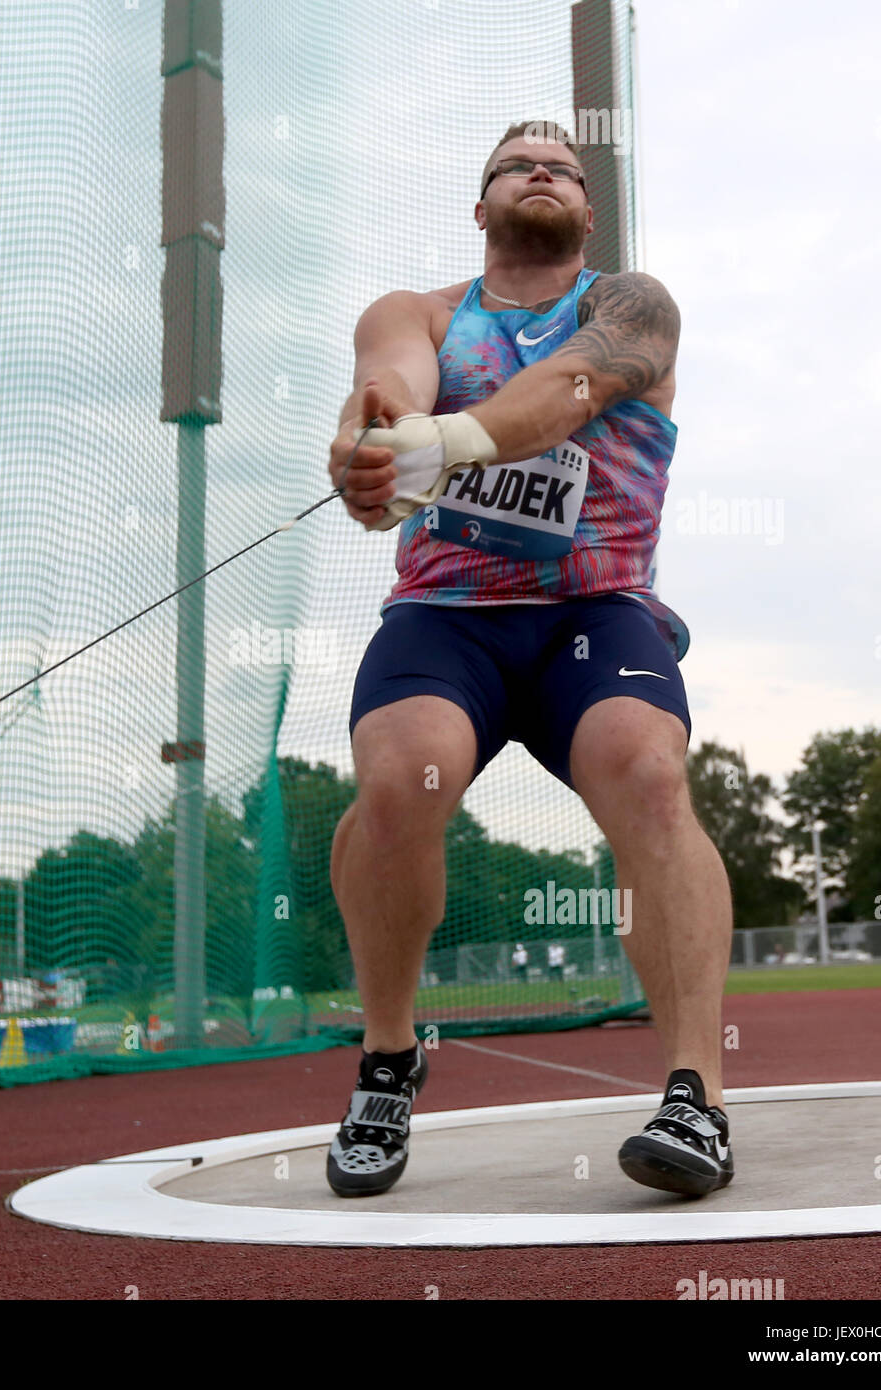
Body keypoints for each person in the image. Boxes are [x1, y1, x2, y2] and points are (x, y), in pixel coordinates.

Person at [325, 121, 732, 1200]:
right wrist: (376, 445)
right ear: (481, 205)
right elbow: (394, 382)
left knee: (645, 766)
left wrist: (446, 444)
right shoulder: (414, 311)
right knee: (396, 776)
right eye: (517, 161)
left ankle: (695, 1094)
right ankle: (387, 1055)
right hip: (447, 614)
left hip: (591, 612)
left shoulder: (630, 305)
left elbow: (570, 389)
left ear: (587, 212)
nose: (542, 168)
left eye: (563, 164)